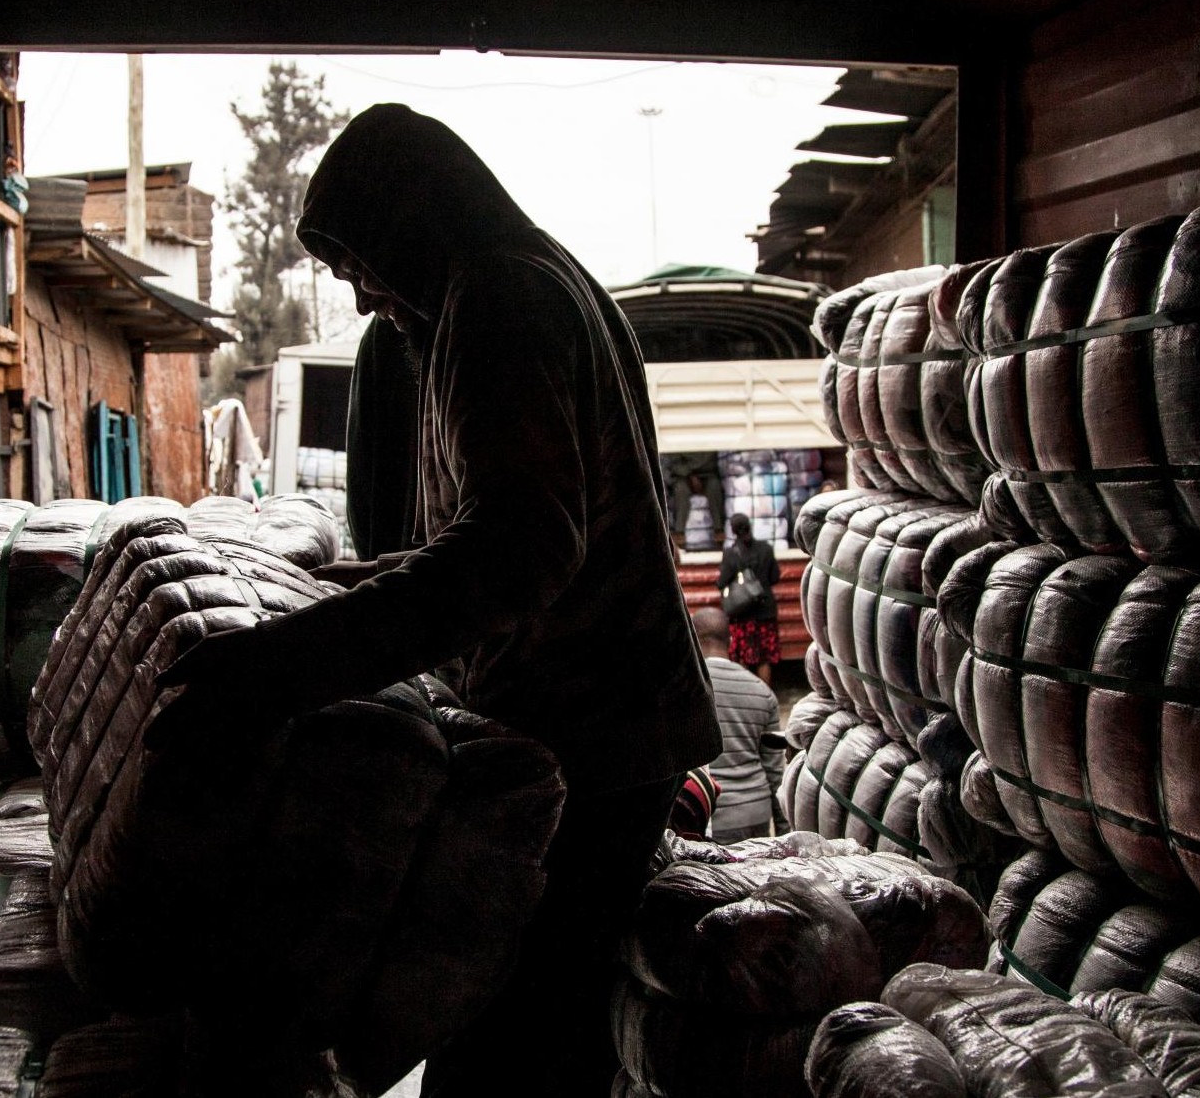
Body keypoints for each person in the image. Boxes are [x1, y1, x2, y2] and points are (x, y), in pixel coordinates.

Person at [152, 103, 720, 1098]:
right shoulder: (534, 279)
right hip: (600, 732)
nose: (367, 300)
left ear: (407, 222)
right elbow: (506, 531)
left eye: (358, 265)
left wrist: (277, 669)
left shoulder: (499, 298)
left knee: (509, 1052)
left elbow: (519, 551)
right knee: (526, 1037)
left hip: (589, 745)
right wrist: (333, 591)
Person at [691, 606, 788, 843]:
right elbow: (775, 772)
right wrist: (785, 832)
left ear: (692, 640)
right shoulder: (762, 691)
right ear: (732, 641)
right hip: (755, 814)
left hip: (706, 817)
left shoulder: (685, 690)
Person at [719, 511, 781, 684]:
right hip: (765, 612)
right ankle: (766, 695)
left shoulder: (731, 554)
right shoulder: (766, 549)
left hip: (742, 614)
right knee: (764, 658)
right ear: (750, 526)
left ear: (732, 530)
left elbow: (721, 582)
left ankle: (747, 696)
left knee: (743, 659)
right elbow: (775, 577)